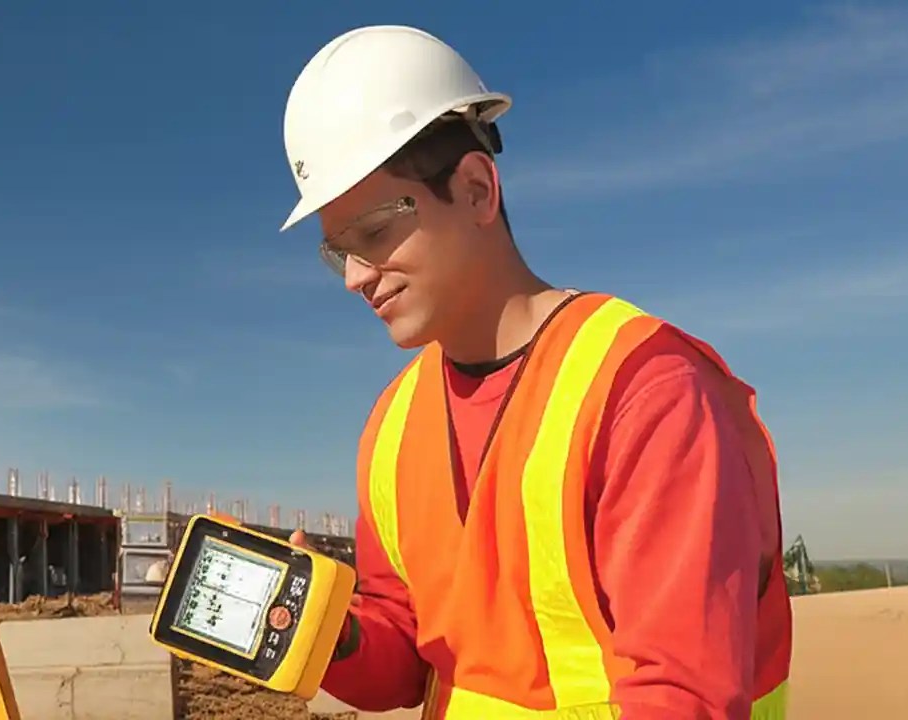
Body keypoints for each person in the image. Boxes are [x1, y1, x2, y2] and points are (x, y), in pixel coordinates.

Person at [277, 25, 793, 719]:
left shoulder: (644, 390)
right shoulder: (393, 427)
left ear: (475, 190)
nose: (356, 278)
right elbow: (411, 657)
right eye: (338, 252)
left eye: (373, 233)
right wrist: (335, 635)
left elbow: (682, 696)